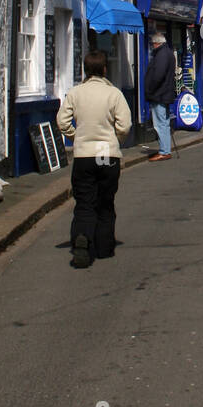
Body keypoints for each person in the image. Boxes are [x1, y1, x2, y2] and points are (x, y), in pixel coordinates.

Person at [56, 49, 132, 269]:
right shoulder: (114, 94)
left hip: (84, 155)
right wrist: (115, 139)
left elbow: (62, 122)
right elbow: (124, 125)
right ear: (105, 69)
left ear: (85, 70)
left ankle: (82, 238)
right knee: (105, 202)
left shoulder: (75, 93)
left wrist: (75, 135)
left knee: (85, 201)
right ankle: (105, 247)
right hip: (107, 155)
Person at [143, 31, 177, 161]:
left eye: (153, 44)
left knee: (160, 123)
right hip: (164, 93)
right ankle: (165, 149)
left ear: (157, 43)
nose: (152, 46)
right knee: (164, 122)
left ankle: (164, 151)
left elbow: (158, 75)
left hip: (159, 94)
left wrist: (150, 90)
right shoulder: (168, 53)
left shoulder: (161, 55)